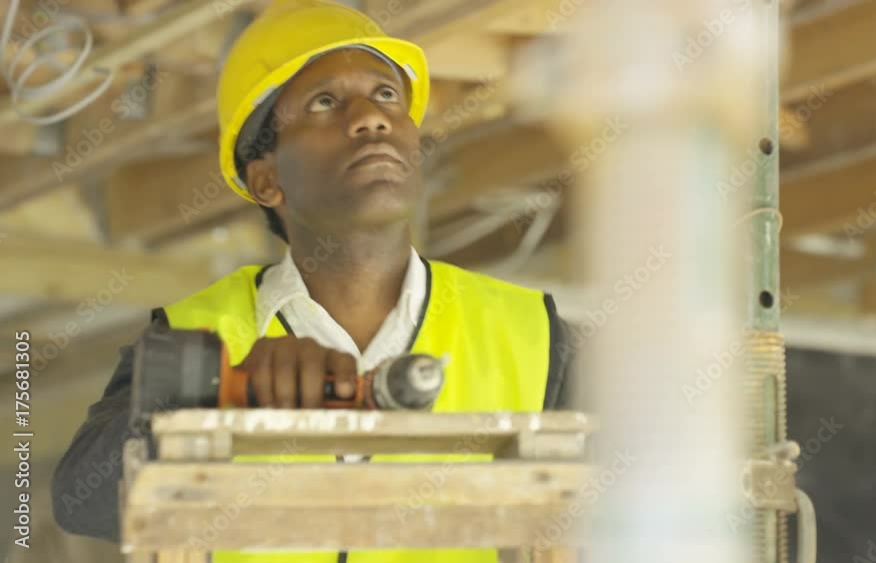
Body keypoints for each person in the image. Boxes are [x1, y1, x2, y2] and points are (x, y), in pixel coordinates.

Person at [50, 2, 574, 562]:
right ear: (267, 179)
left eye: (386, 96)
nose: (369, 117)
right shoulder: (193, 336)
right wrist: (226, 400)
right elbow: (82, 501)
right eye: (325, 102)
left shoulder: (536, 338)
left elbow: (642, 498)